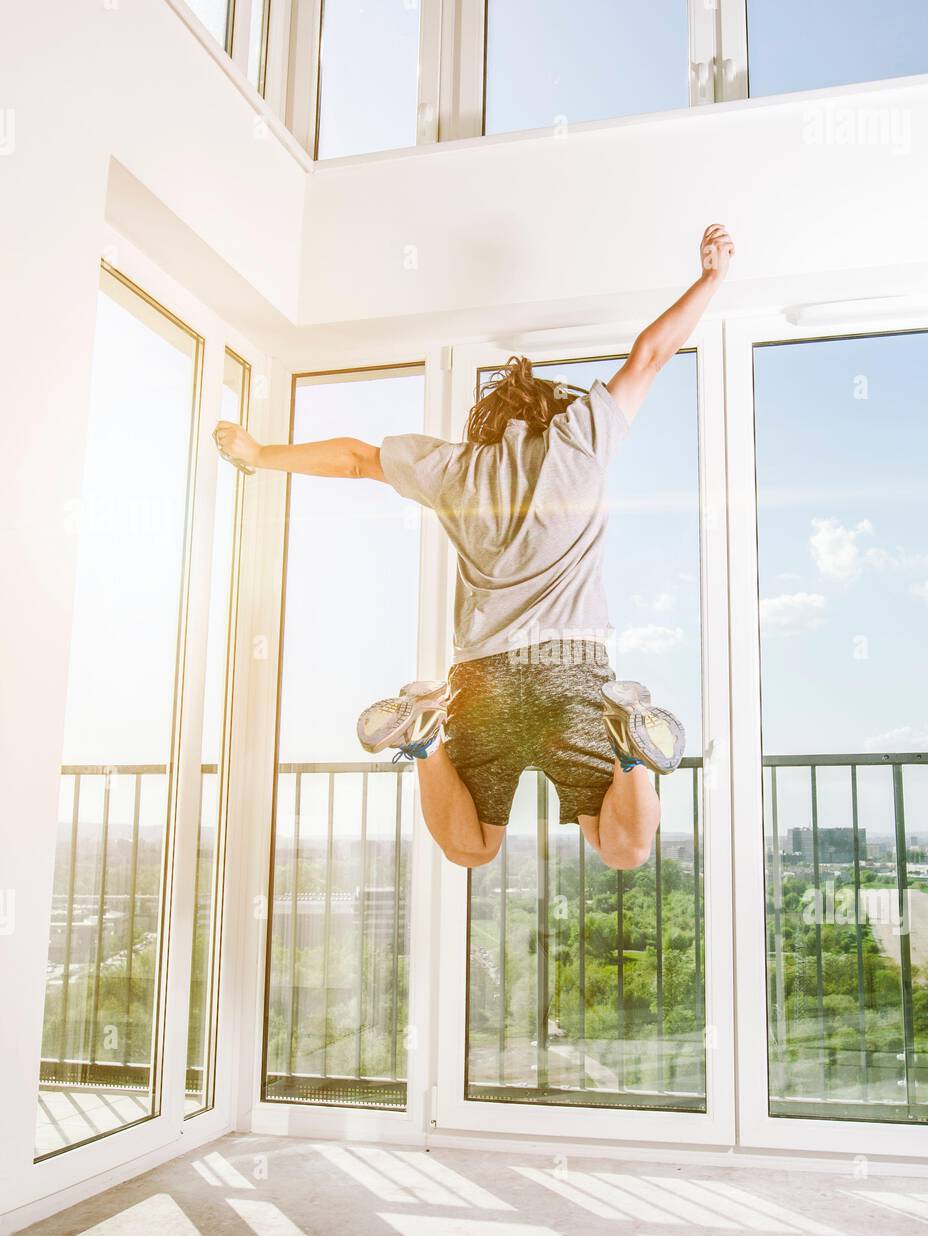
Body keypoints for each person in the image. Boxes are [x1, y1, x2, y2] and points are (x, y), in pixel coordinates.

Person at [214, 223, 735, 871]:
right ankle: (631, 750)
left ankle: (423, 741)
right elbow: (650, 355)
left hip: (485, 676)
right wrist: (709, 278)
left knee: (471, 849)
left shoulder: (453, 469)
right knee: (622, 849)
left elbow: (352, 459)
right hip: (574, 668)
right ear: (551, 411)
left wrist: (260, 453)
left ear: (484, 426)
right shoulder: (578, 441)